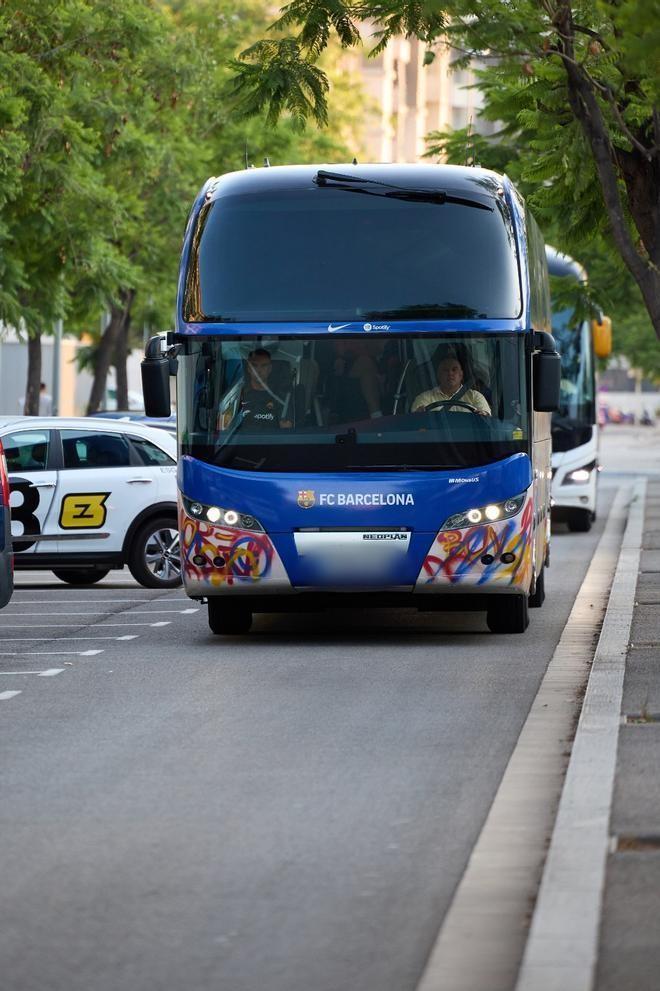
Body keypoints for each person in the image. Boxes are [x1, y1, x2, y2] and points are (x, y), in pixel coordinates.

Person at [412, 352, 491, 415]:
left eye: (454, 369)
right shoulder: (424, 398)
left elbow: (485, 421)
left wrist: (483, 415)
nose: (450, 373)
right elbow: (417, 425)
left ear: (461, 375)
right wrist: (418, 416)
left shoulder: (475, 397)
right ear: (438, 375)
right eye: (445, 370)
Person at [237, 348, 292, 429]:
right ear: (249, 369)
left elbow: (286, 430)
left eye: (264, 366)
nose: (259, 370)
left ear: (270, 369)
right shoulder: (239, 396)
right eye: (255, 365)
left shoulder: (281, 399)